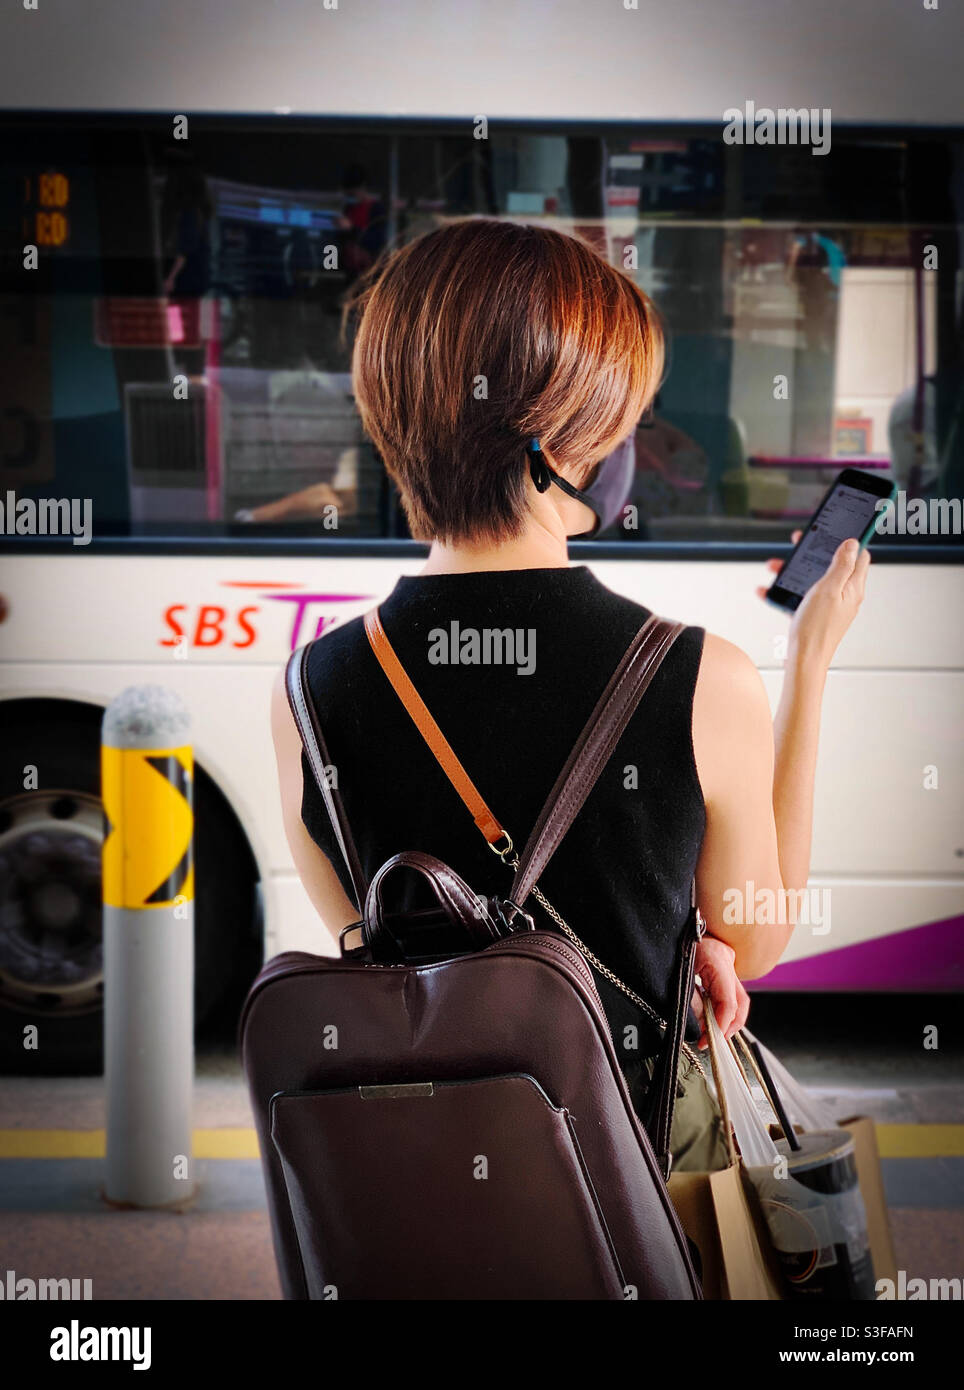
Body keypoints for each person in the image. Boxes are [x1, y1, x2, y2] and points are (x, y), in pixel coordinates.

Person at [271, 218, 870, 1172]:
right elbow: (753, 940)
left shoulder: (309, 688)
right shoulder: (698, 673)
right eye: (619, 416)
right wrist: (811, 669)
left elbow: (376, 937)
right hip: (619, 1199)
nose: (627, 440)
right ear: (555, 444)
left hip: (417, 1192)